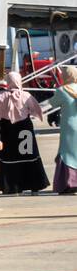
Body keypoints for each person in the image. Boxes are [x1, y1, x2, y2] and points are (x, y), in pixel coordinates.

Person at [0, 71, 49, 195]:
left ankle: (12, 187)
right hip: (25, 128)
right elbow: (36, 110)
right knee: (29, 155)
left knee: (10, 157)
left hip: (8, 129)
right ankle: (34, 186)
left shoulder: (1, 96)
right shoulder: (26, 95)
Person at [50, 65, 77, 194]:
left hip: (69, 126)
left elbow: (52, 103)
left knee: (67, 154)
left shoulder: (62, 90)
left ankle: (69, 183)